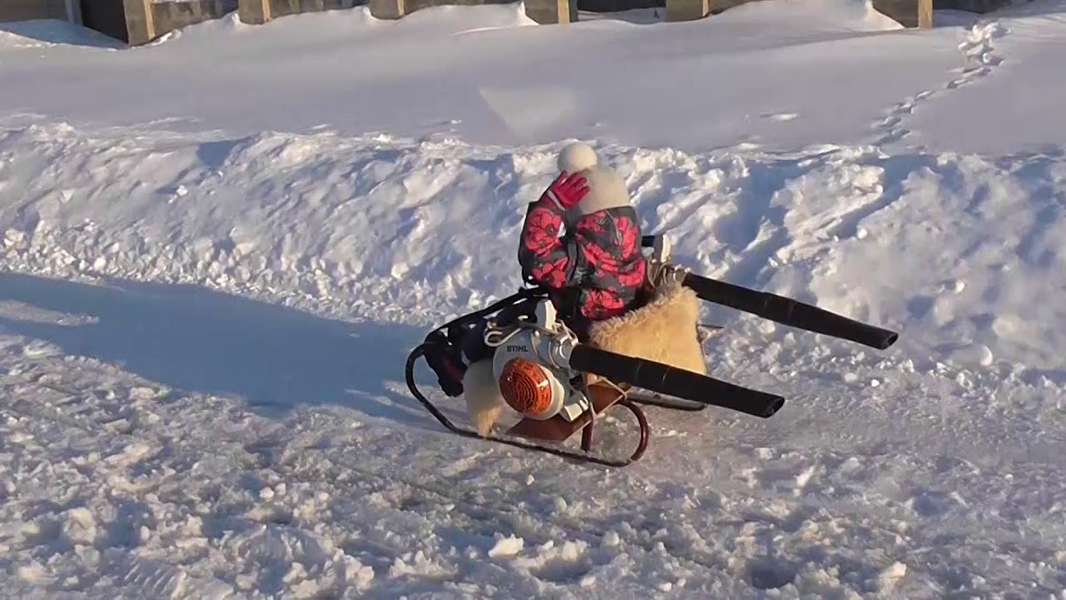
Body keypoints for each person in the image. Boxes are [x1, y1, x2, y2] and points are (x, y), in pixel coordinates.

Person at [517, 142, 647, 339]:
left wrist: (551, 207)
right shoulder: (631, 243)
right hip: (623, 318)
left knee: (484, 339)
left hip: (583, 328)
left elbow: (537, 257)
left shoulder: (583, 257)